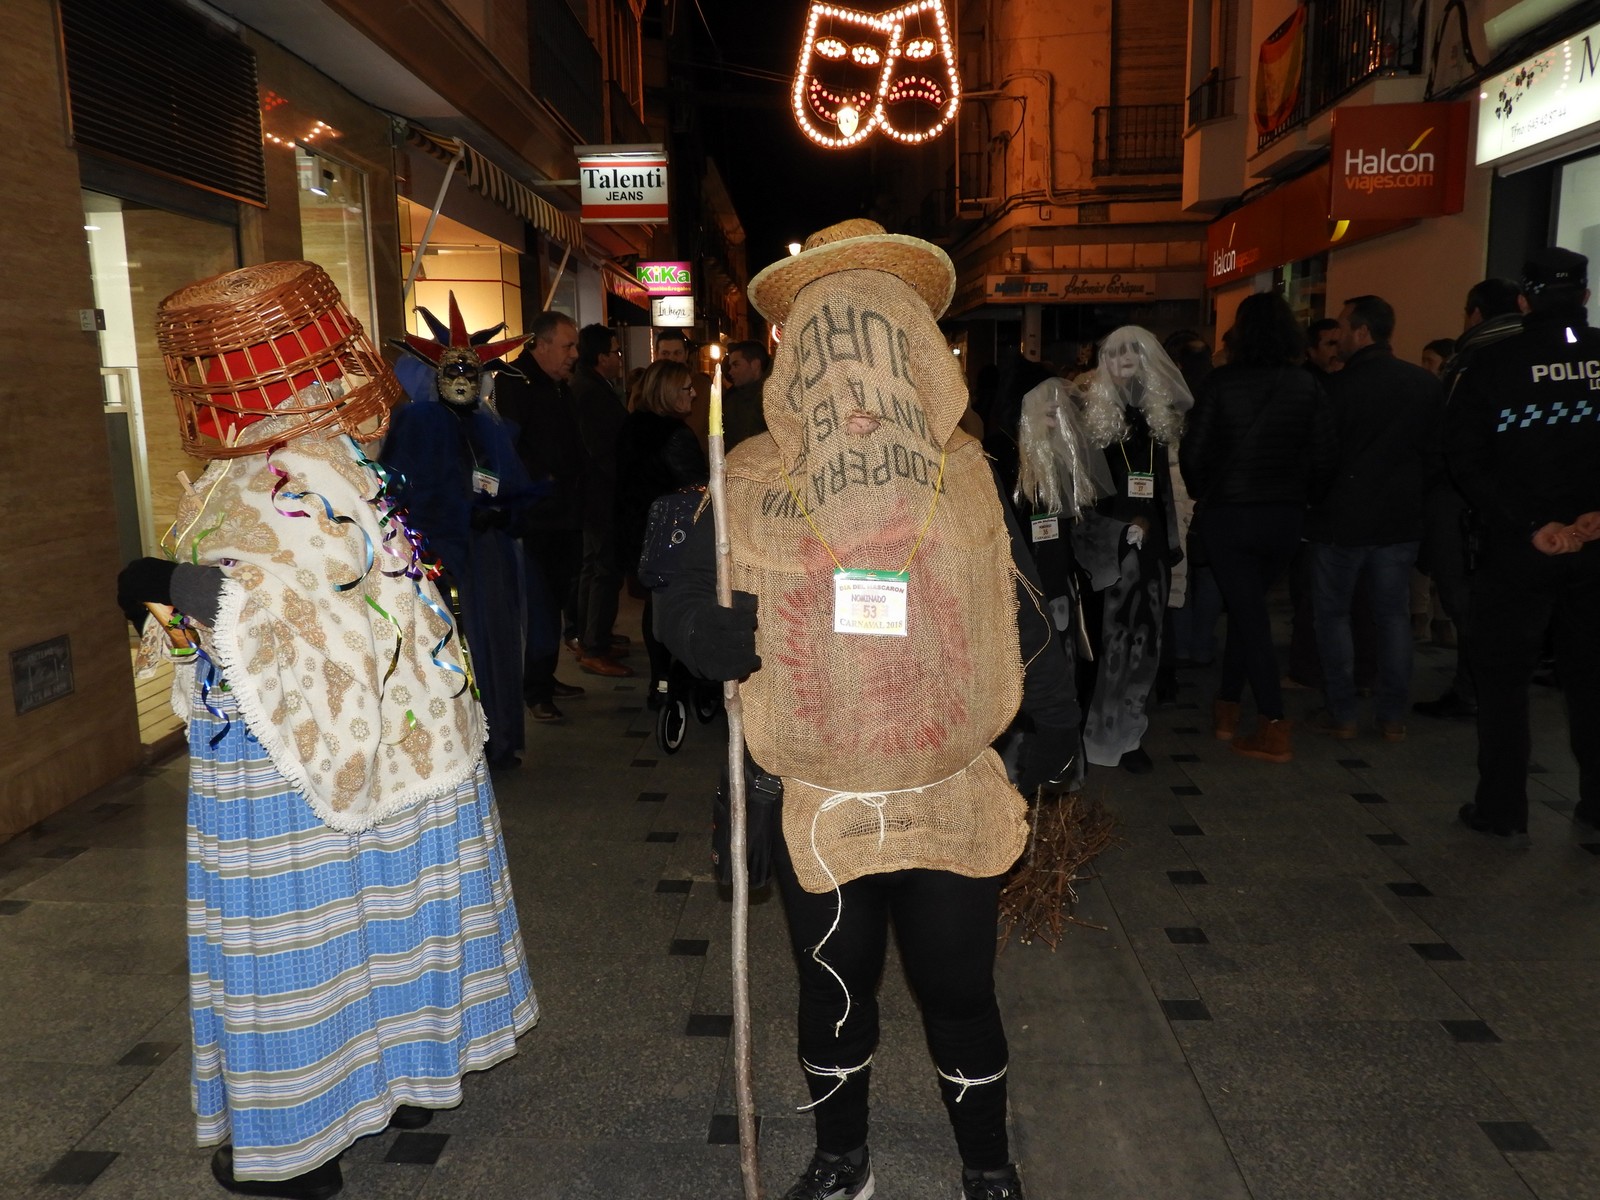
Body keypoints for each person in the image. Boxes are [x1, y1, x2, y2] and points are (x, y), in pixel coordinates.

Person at [657, 219, 1077, 1200]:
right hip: (818, 793)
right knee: (834, 993)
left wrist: (1053, 725)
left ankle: (988, 1165)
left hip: (946, 788)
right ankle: (843, 1158)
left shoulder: (964, 472)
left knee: (959, 992)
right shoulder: (753, 476)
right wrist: (695, 627)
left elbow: (1018, 604)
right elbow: (681, 588)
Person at [114, 262, 536, 1200]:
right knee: (381, 903)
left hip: (295, 757)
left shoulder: (280, 476)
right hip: (358, 740)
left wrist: (161, 582)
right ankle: (388, 1084)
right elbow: (316, 600)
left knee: (313, 929)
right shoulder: (317, 465)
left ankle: (318, 1127)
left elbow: (270, 602)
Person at [1445, 248, 1600, 845]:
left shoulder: (1490, 365)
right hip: (1594, 550)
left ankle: (1502, 808)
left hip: (1518, 550)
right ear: (1584, 297)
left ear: (1523, 300)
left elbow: (1467, 462)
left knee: (1504, 680)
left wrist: (1532, 524)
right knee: (1592, 676)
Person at [381, 294, 538, 771]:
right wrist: (454, 520)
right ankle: (462, 742)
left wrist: (501, 512)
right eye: (453, 371)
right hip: (444, 554)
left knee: (496, 639)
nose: (464, 381)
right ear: (434, 374)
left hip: (488, 552)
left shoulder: (487, 425)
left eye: (471, 371)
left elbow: (511, 485)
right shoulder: (419, 423)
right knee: (454, 641)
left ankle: (498, 736)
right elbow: (410, 488)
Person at [1180, 292, 1336, 763]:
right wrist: (1304, 497)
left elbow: (1193, 454)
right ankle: (1227, 707)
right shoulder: (1308, 386)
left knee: (1249, 615)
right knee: (1247, 610)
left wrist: (1208, 490)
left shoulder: (1220, 384)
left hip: (1230, 515)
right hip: (1284, 517)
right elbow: (1326, 458)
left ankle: (1273, 722)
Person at [1305, 295, 1443, 742]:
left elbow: (1320, 458)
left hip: (1340, 521)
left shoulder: (1337, 389)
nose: (1338, 335)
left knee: (1333, 616)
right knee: (1393, 618)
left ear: (1362, 331)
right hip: (1399, 522)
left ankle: (1343, 712)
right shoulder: (1422, 385)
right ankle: (1391, 717)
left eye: (1343, 326)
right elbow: (1437, 456)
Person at [1073, 326, 1194, 773]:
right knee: (1105, 638)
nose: (1125, 359)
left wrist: (1168, 539)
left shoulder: (1156, 413)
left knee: (1146, 637)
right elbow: (1080, 489)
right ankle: (1093, 732)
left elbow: (1163, 485)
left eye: (1134, 351)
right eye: (1116, 351)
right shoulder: (1090, 412)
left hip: (1151, 543)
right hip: (1106, 540)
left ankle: (1129, 732)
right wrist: (1114, 527)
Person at [1413, 278, 1523, 722]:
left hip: (1467, 501)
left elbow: (1453, 437)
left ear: (1476, 313)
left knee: (1465, 601)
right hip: (1522, 502)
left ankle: (1475, 690)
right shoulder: (1534, 354)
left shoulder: (1472, 361)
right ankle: (1487, 688)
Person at [496, 311, 589, 721]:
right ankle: (535, 690)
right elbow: (510, 449)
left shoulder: (555, 385)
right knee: (539, 605)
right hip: (536, 517)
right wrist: (539, 482)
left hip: (563, 512)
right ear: (542, 343)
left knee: (557, 597)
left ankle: (546, 676)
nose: (574, 354)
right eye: (568, 345)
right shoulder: (515, 382)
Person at [614, 360, 709, 705]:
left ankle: (661, 682)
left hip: (638, 533)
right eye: (687, 388)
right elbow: (697, 488)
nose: (695, 393)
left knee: (654, 608)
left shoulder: (632, 425)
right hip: (672, 537)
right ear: (669, 392)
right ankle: (677, 682)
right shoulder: (674, 434)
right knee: (674, 609)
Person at [567, 322, 633, 677]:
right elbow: (600, 449)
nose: (619, 359)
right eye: (615, 352)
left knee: (596, 567)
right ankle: (593, 644)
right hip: (599, 495)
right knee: (602, 569)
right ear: (600, 356)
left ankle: (595, 637)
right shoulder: (590, 391)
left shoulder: (594, 386)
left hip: (597, 494)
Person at [654, 327, 712, 449]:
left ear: (686, 354)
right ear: (656, 355)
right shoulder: (646, 387)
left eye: (677, 353)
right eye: (665, 353)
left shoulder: (703, 387)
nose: (671, 359)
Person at [721, 338, 771, 449]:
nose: (730, 371)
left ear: (755, 365)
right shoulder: (731, 400)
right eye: (730, 366)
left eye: (736, 365)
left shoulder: (774, 396)